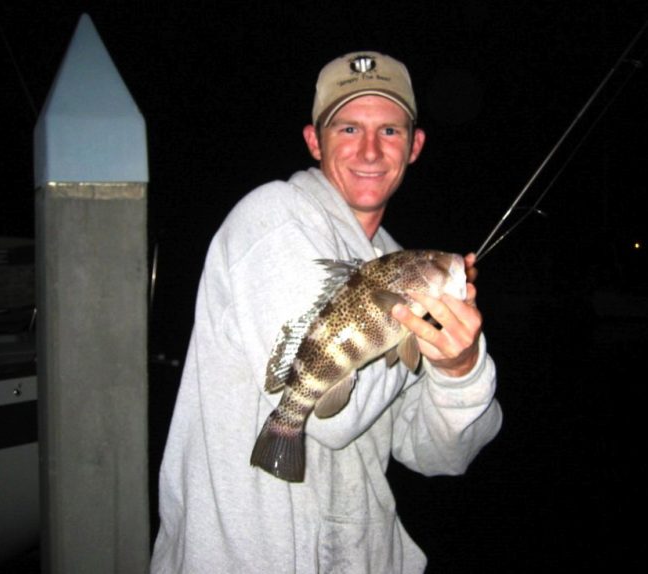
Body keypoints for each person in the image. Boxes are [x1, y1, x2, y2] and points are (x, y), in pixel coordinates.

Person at [150, 50, 502, 573]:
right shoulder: (272, 219)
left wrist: (458, 370)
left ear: (414, 146)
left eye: (389, 132)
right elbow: (333, 421)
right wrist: (409, 321)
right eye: (347, 129)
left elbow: (435, 456)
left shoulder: (395, 265)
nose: (369, 151)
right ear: (315, 140)